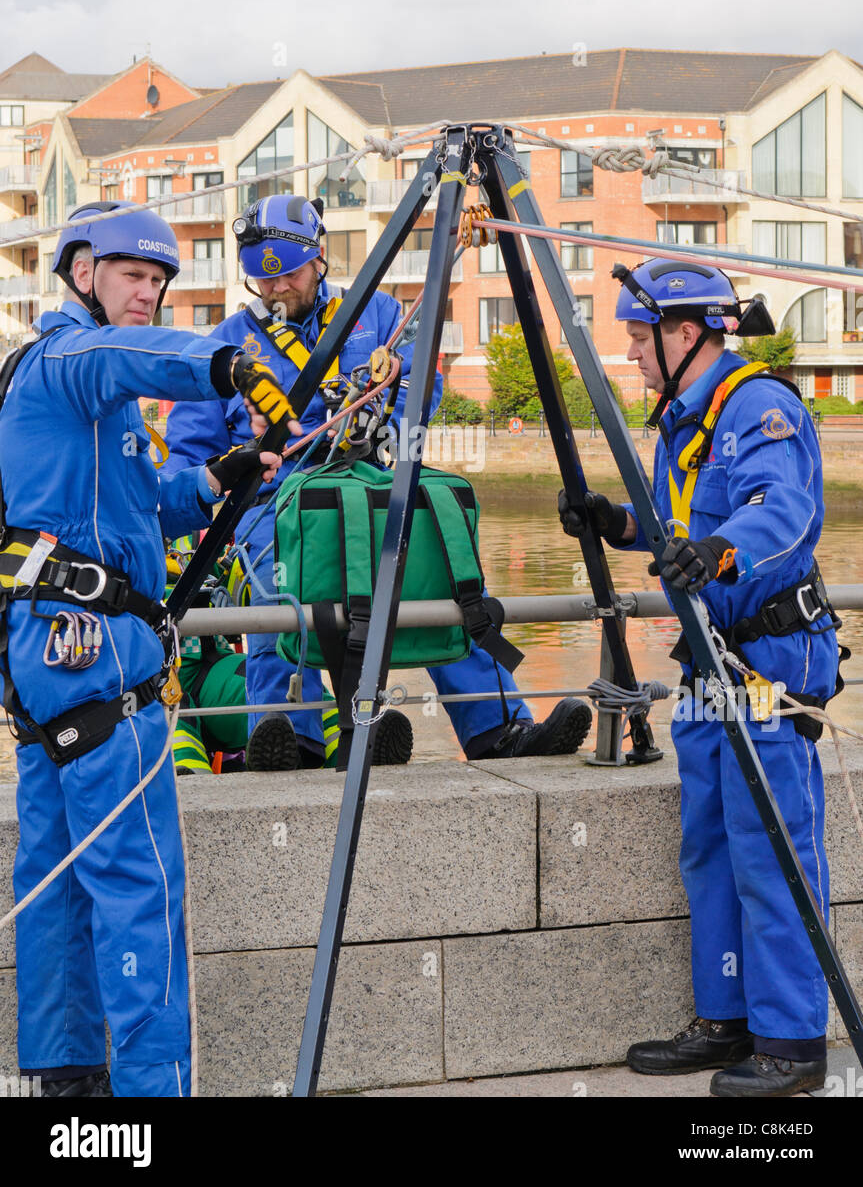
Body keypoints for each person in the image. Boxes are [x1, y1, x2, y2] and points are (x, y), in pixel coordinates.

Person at [0, 201, 294, 1098]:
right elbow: (136, 354)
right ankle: (150, 1100)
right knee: (139, 886)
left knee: (55, 878)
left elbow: (129, 513)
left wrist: (211, 480)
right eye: (134, 275)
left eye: (162, 281)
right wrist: (230, 364)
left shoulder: (86, 400)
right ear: (81, 272)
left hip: (48, 656)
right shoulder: (68, 358)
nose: (150, 294)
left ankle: (68, 1088)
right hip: (93, 656)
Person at [166, 192, 591, 770]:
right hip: (276, 500)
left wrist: (389, 403)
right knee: (278, 586)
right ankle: (285, 737)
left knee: (443, 567)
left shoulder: (380, 315)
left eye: (287, 274)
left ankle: (498, 728)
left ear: (320, 258)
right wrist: (202, 484)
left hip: (369, 485)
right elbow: (189, 449)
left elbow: (426, 383)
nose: (275, 290)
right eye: (261, 279)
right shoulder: (223, 348)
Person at [559, 257, 840, 1098]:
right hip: (709, 658)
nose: (633, 355)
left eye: (642, 339)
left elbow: (779, 512)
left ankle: (791, 1043)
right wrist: (619, 525)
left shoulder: (758, 406)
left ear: (688, 334)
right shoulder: (682, 416)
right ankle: (724, 1019)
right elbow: (679, 525)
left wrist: (719, 552)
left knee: (769, 847)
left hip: (767, 658)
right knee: (711, 842)